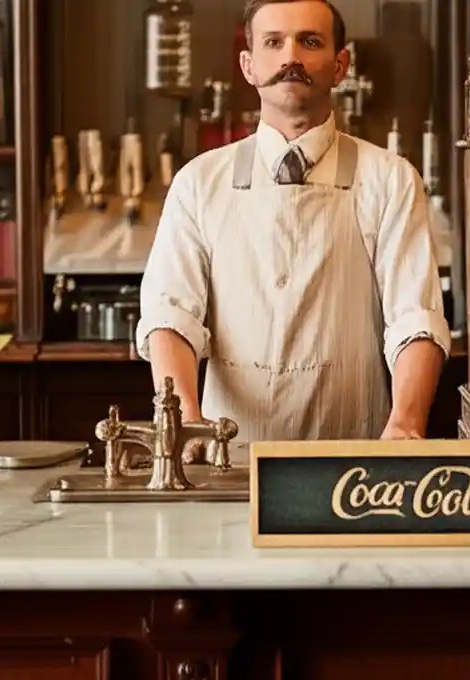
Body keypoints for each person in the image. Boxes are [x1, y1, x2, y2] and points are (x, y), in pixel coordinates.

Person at [134, 0, 450, 444]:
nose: (290, 58)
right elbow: (170, 314)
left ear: (341, 65)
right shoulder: (199, 183)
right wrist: (186, 421)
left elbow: (414, 318)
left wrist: (406, 422)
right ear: (248, 65)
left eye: (310, 41)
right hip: (228, 457)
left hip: (353, 460)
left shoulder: (391, 179)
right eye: (273, 42)